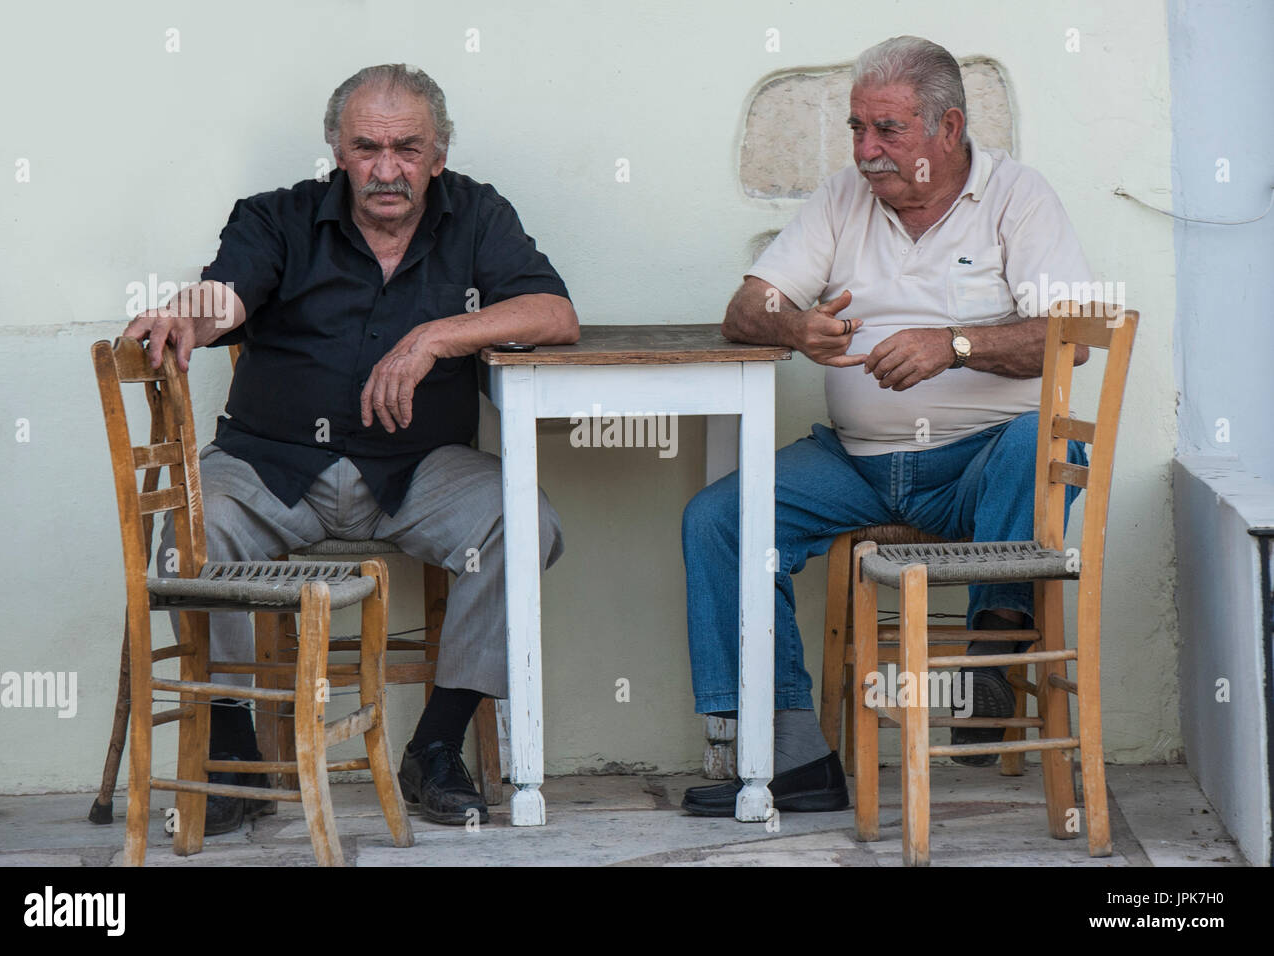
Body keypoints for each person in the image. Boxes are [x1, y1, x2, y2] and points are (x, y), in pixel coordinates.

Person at [123, 64, 577, 833]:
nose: (387, 169)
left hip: (418, 469)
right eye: (367, 148)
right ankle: (230, 753)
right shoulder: (278, 217)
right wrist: (181, 314)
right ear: (337, 149)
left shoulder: (477, 215)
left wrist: (434, 336)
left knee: (521, 521)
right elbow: (224, 295)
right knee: (192, 532)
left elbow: (553, 313)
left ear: (438, 154)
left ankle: (434, 747)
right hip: (273, 465)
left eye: (408, 148)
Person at [680, 36, 1093, 817]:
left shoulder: (1018, 198)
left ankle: (993, 655)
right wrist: (795, 326)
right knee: (719, 519)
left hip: (976, 465)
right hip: (857, 463)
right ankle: (791, 755)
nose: (868, 151)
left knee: (1041, 437)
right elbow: (746, 308)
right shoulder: (842, 199)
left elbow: (1064, 333)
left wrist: (956, 345)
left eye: (888, 130)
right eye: (857, 129)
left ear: (948, 127)